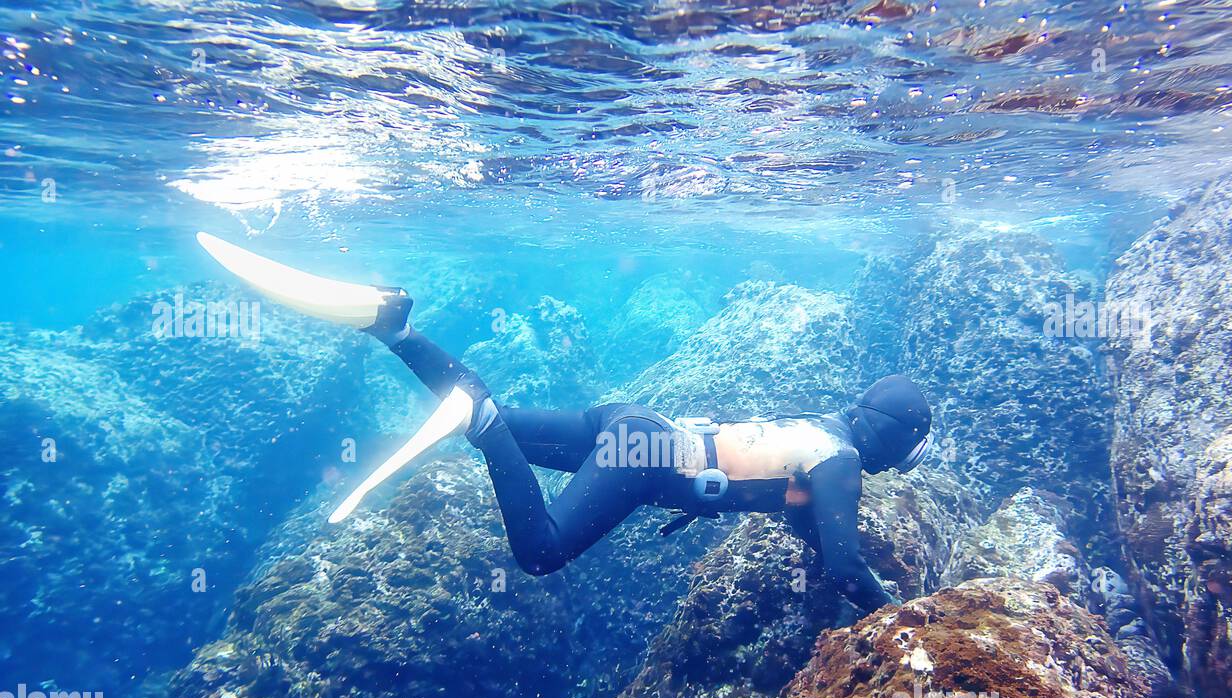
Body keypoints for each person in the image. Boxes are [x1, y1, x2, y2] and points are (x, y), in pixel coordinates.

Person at [197, 233, 933, 614]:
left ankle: (396, 328)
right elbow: (844, 568)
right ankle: (480, 422)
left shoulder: (820, 430)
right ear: (895, 445)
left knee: (499, 418)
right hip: (644, 458)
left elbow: (804, 519)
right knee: (540, 551)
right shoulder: (839, 463)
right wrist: (908, 617)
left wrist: (831, 547)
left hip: (635, 423)